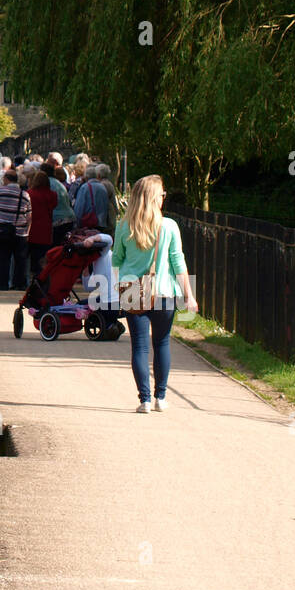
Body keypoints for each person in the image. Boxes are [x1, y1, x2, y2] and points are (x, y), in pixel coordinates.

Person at [112, 175, 197, 412]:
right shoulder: (169, 226)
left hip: (133, 292)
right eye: (162, 195)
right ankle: (161, 397)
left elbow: (116, 259)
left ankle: (145, 400)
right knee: (161, 343)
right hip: (163, 292)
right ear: (154, 198)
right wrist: (189, 295)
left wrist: (121, 288)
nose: (163, 198)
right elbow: (178, 263)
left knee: (139, 346)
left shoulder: (123, 226)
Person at [0, 167, 31, 290]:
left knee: (4, 257)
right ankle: (19, 283)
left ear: (7, 179)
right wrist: (28, 231)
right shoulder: (25, 195)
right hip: (20, 231)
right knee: (20, 259)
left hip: (3, 230)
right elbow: (29, 215)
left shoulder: (1, 191)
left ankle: (3, 283)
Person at [27, 170, 56, 279]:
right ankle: (42, 277)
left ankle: (32, 277)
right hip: (46, 229)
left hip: (32, 229)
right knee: (43, 257)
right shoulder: (52, 195)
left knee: (31, 257)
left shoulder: (30, 194)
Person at [46, 161, 75, 246]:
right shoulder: (59, 184)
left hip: (57, 220)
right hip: (69, 217)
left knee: (56, 248)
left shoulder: (48, 183)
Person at [73, 166, 109, 231]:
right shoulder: (103, 187)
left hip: (88, 224)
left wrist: (76, 223)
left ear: (86, 177)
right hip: (101, 223)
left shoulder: (84, 187)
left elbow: (79, 207)